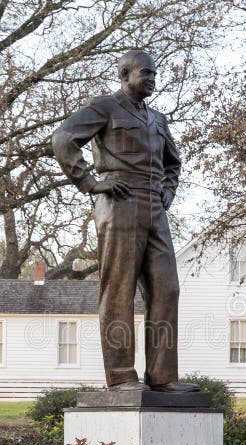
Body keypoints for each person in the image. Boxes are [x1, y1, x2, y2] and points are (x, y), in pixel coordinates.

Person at [52, 50, 199, 393]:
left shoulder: (158, 119)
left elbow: (173, 165)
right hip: (118, 203)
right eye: (146, 73)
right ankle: (120, 377)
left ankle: (163, 378)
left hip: (154, 208)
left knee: (167, 288)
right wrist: (89, 182)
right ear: (124, 74)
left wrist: (167, 191)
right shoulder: (105, 107)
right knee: (118, 289)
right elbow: (62, 139)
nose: (152, 79)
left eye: (154, 74)